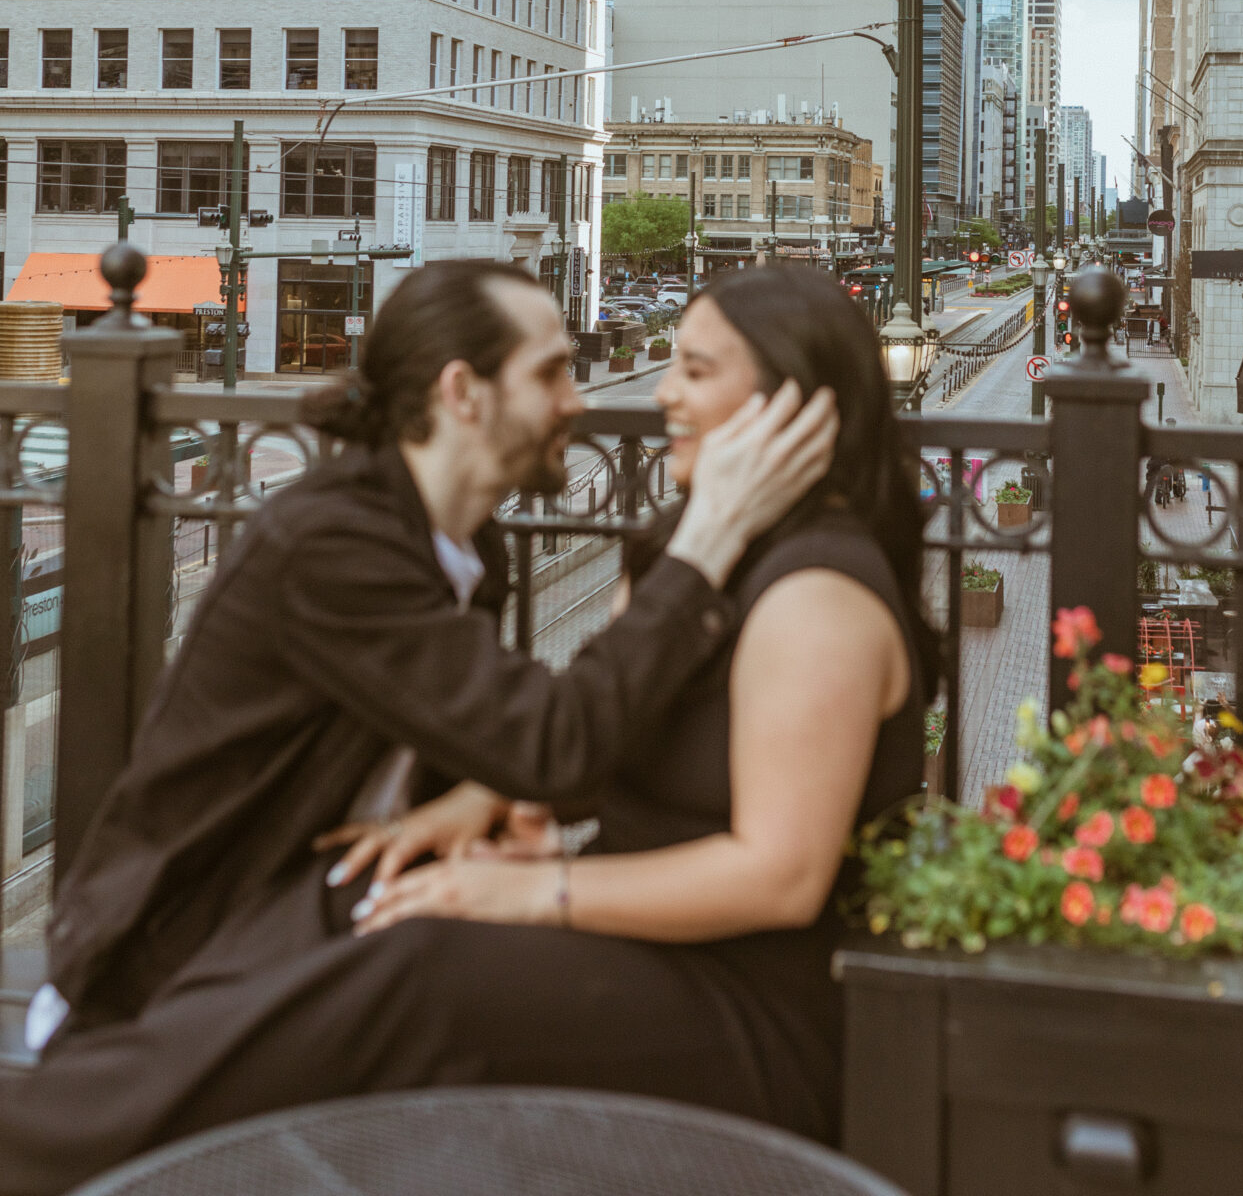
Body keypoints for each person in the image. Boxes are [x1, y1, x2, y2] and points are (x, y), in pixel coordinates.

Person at [0, 269, 924, 1191]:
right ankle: (89, 1103)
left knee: (422, 957)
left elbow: (740, 850)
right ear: (460, 392)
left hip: (745, 1003)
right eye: (555, 372)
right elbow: (573, 743)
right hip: (193, 929)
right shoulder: (356, 542)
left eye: (693, 368)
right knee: (386, 904)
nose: (647, 391)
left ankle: (54, 1138)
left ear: (789, 405)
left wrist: (528, 876)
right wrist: (494, 809)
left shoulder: (807, 595)